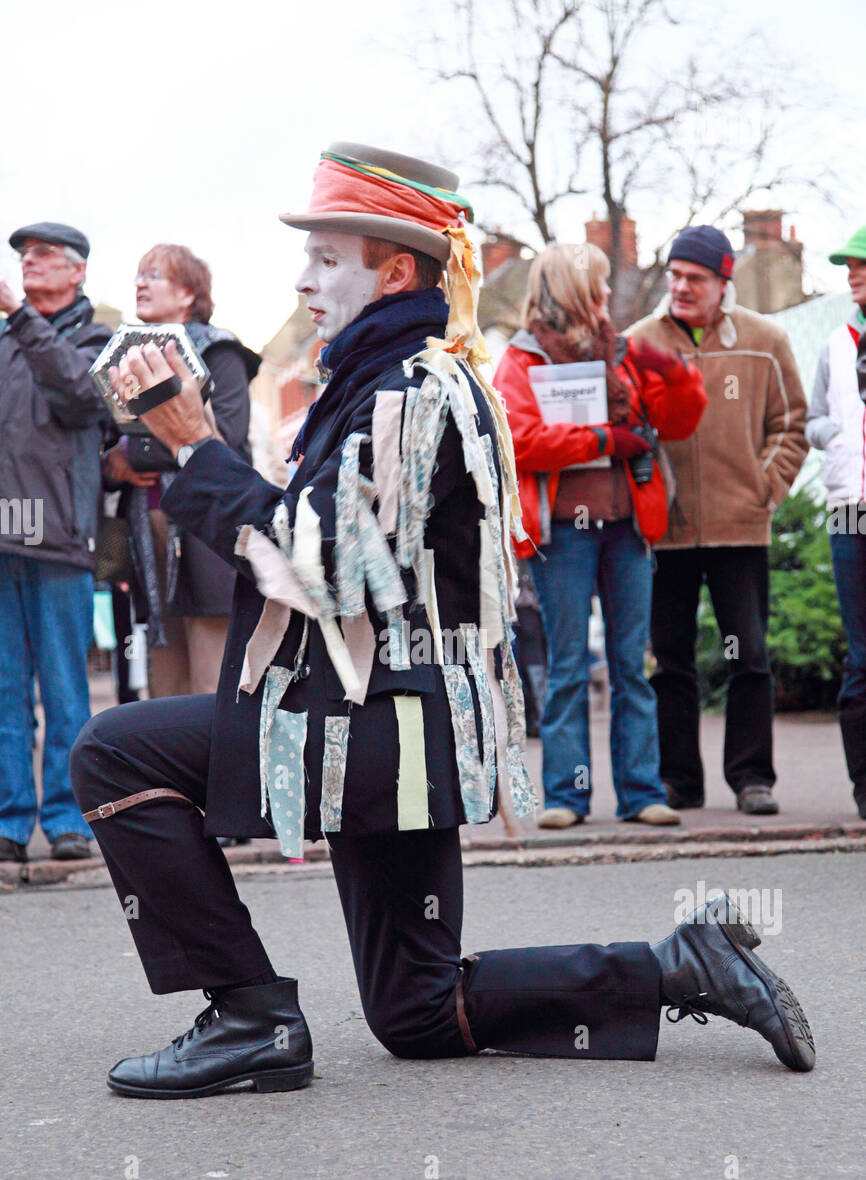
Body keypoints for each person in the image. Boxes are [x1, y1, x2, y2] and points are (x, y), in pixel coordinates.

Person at [70, 144, 814, 1098]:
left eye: (328, 257)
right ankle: (682, 965)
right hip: (392, 719)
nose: (303, 278)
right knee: (419, 1012)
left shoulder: (414, 391)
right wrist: (196, 452)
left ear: (396, 271)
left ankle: (250, 1015)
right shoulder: (383, 381)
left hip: (370, 722)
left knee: (113, 752)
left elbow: (321, 565)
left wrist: (194, 446)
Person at [494, 243, 707, 828]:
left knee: (631, 665)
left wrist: (678, 374)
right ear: (572, 290)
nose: (610, 295)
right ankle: (567, 797)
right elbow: (518, 439)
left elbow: (678, 420)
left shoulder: (625, 353)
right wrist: (604, 442)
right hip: (563, 534)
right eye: (600, 285)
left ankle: (642, 794)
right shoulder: (522, 358)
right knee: (567, 667)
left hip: (628, 529)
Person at [628, 227, 808, 815]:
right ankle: (681, 782)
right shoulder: (638, 343)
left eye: (695, 278)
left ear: (722, 283)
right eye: (675, 275)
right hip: (666, 533)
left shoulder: (765, 340)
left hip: (739, 527)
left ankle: (753, 778)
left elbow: (791, 426)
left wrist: (765, 490)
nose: (680, 286)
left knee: (747, 656)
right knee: (671, 659)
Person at [0, 222, 112, 864]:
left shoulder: (94, 339)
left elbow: (78, 396)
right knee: (6, 692)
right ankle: (10, 825)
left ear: (78, 272)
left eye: (44, 255)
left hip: (60, 535)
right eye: (23, 256)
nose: (28, 263)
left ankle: (70, 820)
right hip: (7, 531)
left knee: (67, 689)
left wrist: (18, 314)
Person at [102, 244, 260, 698]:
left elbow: (225, 440)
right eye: (138, 275)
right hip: (146, 537)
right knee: (163, 688)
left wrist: (134, 449)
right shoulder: (122, 357)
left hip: (204, 537)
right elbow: (108, 445)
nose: (140, 284)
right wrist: (115, 462)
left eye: (154, 275)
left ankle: (219, 772)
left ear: (189, 293)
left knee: (212, 686)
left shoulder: (221, 351)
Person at [806, 227, 866, 816]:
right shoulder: (836, 344)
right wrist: (839, 432)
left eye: (861, 265)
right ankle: (864, 789)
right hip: (851, 511)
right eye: (848, 266)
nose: (852, 274)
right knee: (861, 656)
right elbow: (812, 421)